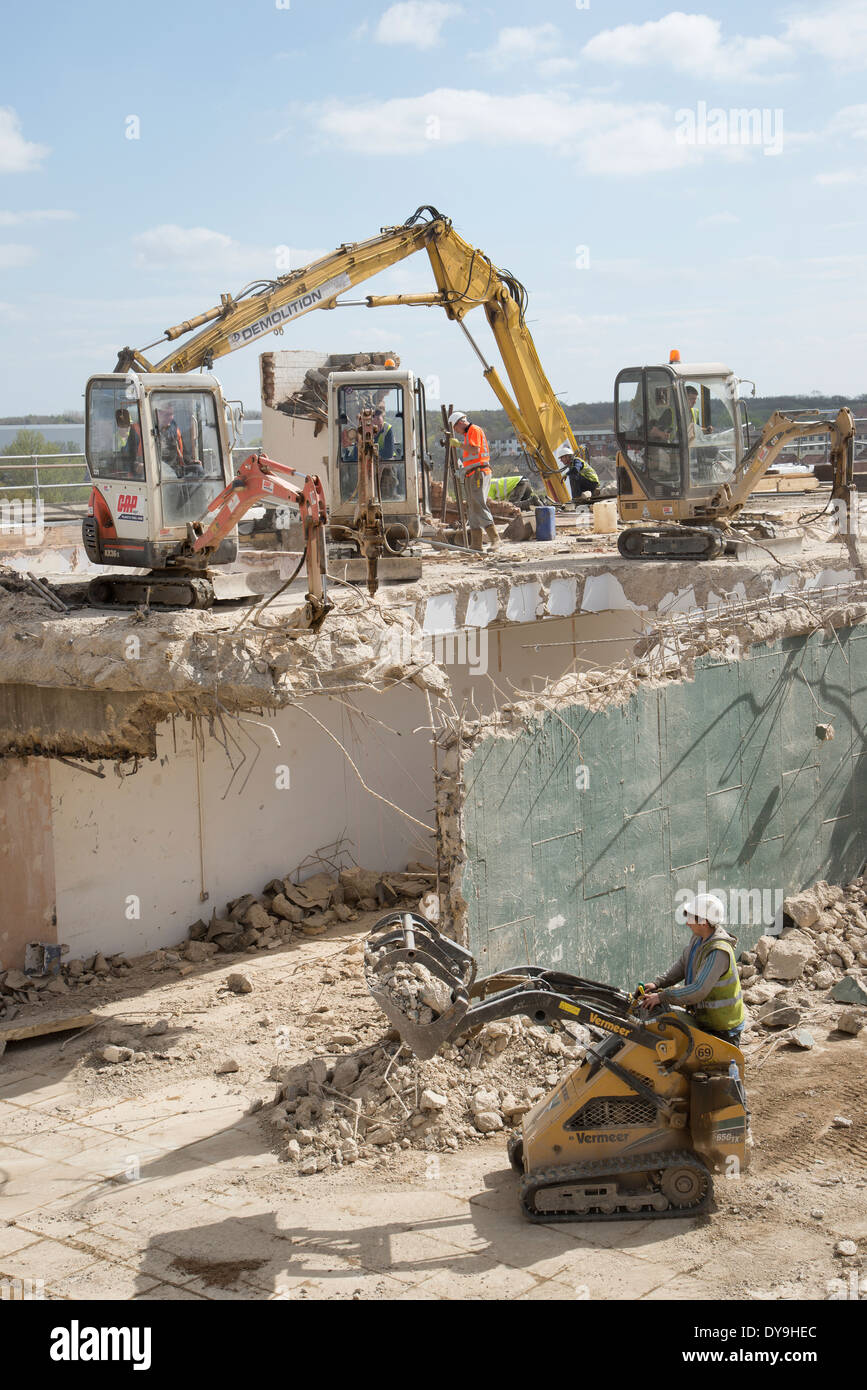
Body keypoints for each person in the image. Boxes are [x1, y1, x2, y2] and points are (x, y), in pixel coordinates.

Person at [636, 892, 746, 1045]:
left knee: (715, 1068)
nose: (687, 923)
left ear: (703, 922)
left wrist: (662, 997)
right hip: (705, 1020)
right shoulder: (698, 938)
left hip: (722, 1028)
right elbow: (683, 964)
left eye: (690, 917)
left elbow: (698, 990)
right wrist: (657, 984)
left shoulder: (718, 951)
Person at [448, 410, 498, 550]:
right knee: (472, 508)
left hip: (479, 473)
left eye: (455, 428)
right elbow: (471, 457)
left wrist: (458, 445)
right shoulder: (466, 435)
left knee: (478, 504)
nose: (456, 431)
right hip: (471, 473)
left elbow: (475, 450)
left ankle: (495, 538)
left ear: (461, 423)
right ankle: (476, 544)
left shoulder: (474, 430)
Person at [114, 407, 142, 473]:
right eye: (121, 424)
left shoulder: (135, 436)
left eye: (127, 425)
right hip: (119, 470)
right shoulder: (114, 437)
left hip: (133, 469)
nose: (125, 427)